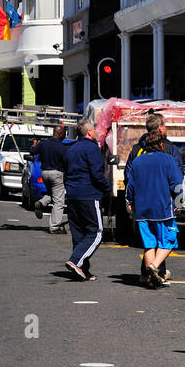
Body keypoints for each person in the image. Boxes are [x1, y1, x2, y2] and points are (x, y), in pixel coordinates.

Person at [126, 113, 183, 283]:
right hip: (163, 207)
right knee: (169, 241)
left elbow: (130, 184)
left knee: (149, 244)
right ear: (160, 144)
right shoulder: (167, 158)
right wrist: (178, 202)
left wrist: (130, 201)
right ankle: (154, 267)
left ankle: (151, 279)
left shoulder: (137, 160)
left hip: (142, 209)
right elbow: (178, 184)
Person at [63, 116, 108, 282]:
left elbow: (66, 173)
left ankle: (82, 268)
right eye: (94, 129)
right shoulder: (92, 148)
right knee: (96, 232)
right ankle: (76, 261)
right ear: (90, 132)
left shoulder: (71, 149)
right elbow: (97, 173)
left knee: (79, 233)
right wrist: (107, 188)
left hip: (73, 195)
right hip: (89, 194)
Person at [33, 125, 70, 234]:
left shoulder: (43, 144)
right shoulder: (63, 148)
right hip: (57, 174)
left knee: (51, 193)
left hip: (44, 173)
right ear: (59, 133)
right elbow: (67, 163)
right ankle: (54, 227)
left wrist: (34, 143)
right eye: (64, 133)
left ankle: (41, 203)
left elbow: (32, 151)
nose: (64, 136)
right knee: (59, 201)